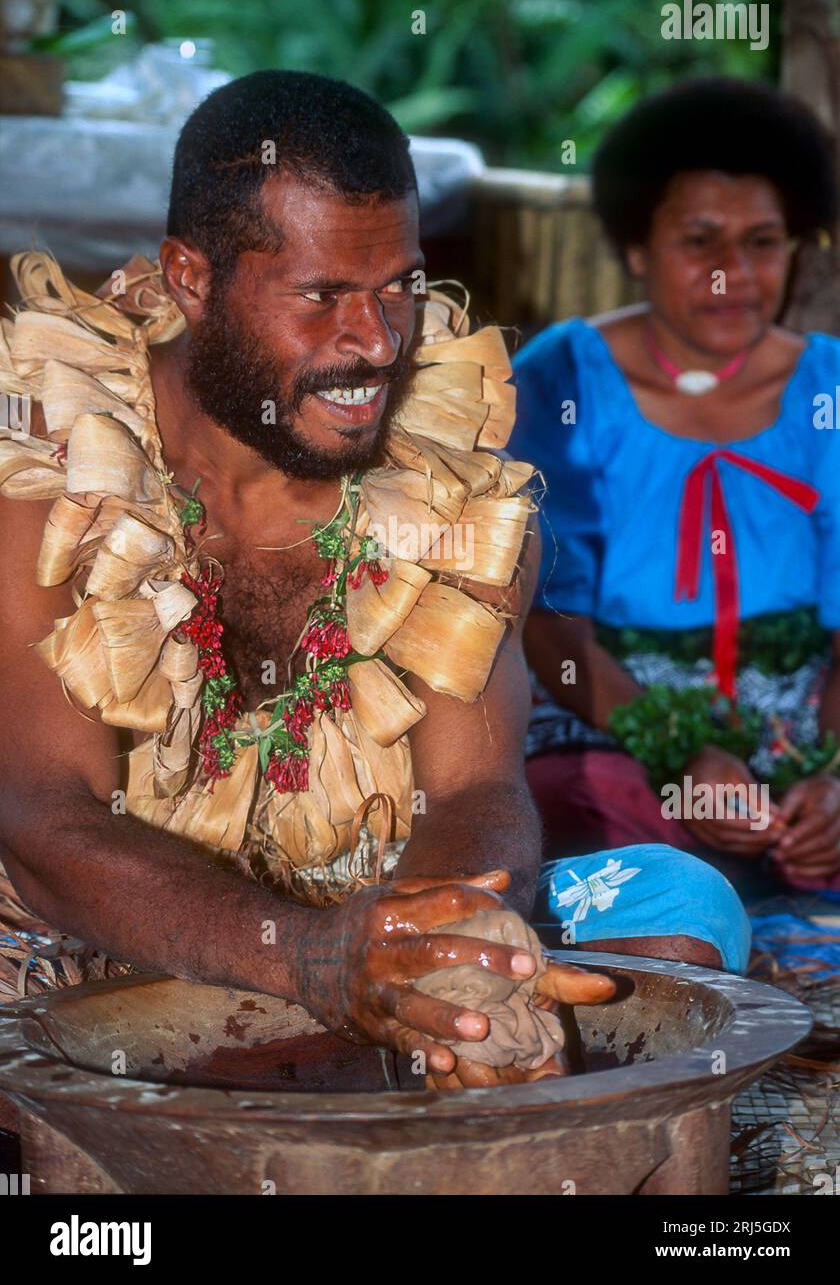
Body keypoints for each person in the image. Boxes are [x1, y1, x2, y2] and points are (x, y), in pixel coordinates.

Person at [0, 72, 749, 1093]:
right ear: (190, 279)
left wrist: (431, 957)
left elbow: (479, 788)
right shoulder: (47, 480)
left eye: (397, 284)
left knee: (680, 916)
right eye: (320, 298)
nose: (375, 343)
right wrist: (311, 958)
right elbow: (45, 822)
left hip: (371, 902)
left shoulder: (455, 488)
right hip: (106, 936)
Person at [509, 76, 840, 902]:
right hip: (611, 724)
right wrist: (678, 757)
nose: (736, 274)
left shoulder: (828, 389)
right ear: (635, 248)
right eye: (701, 242)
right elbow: (549, 624)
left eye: (764, 243)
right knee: (586, 816)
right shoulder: (561, 378)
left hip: (800, 730)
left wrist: (828, 778)